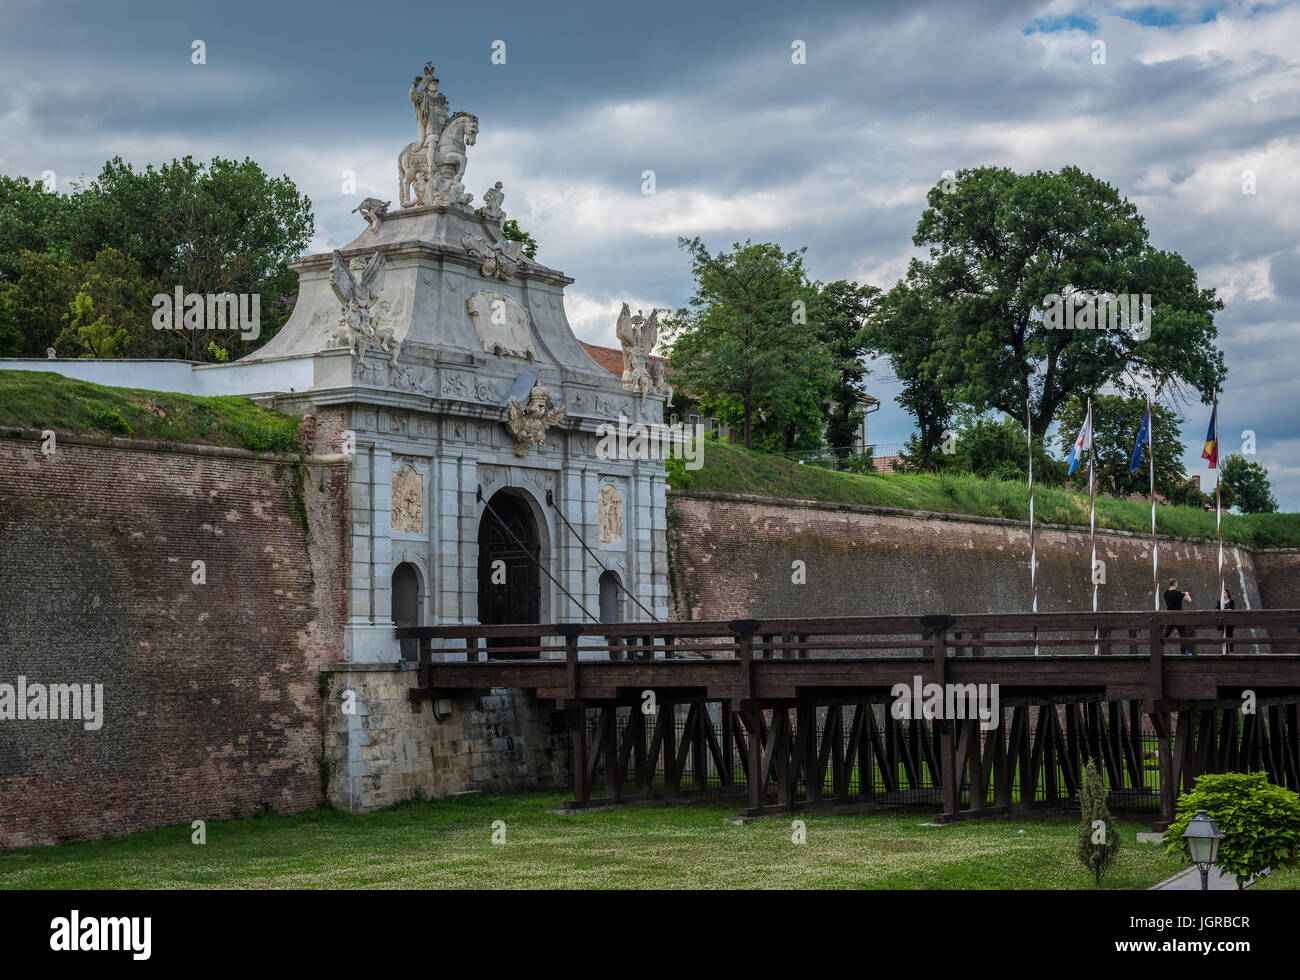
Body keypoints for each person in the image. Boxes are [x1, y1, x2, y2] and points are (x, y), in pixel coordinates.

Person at [1162, 578, 1192, 655]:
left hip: (1170, 616)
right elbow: (1189, 600)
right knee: (1183, 633)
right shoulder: (1177, 593)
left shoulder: (1166, 593)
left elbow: (1175, 596)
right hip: (1178, 617)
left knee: (1166, 633)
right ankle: (1183, 651)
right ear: (1175, 584)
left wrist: (1182, 594)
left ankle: (1159, 646)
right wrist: (1187, 593)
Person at [1217, 587, 1236, 653]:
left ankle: (1231, 651)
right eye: (1223, 592)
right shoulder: (1220, 601)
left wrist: (1224, 610)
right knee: (1224, 636)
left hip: (1230, 621)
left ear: (1227, 593)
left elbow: (1232, 609)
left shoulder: (1231, 601)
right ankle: (1226, 651)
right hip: (1222, 621)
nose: (1223, 593)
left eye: (1224, 592)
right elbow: (1217, 609)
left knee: (1230, 636)